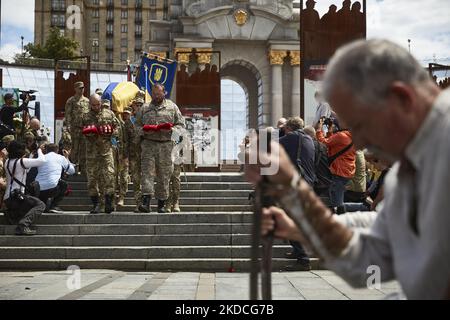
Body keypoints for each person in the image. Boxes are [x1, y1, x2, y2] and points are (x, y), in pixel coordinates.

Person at [246, 39, 450, 300]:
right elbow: (379, 245)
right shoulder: (409, 167)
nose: (361, 142)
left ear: (402, 99)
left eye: (361, 125)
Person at [136, 83, 185, 213]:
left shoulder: (172, 107)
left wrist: (171, 129)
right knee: (147, 174)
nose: (156, 96)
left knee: (164, 175)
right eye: (154, 94)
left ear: (164, 93)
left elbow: (181, 125)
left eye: (159, 94)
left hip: (166, 145)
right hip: (149, 145)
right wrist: (144, 131)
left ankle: (161, 203)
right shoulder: (145, 108)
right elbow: (137, 126)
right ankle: (146, 202)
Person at [278, 117, 316, 271]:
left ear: (288, 128)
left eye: (284, 128)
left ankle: (303, 259)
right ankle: (298, 251)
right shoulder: (308, 139)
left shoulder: (289, 138)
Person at [82, 94, 118, 214]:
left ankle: (109, 201)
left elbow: (117, 128)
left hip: (106, 150)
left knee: (109, 175)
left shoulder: (109, 114)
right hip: (91, 151)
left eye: (98, 104)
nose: (96, 107)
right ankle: (96, 204)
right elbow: (79, 131)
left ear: (101, 103)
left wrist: (111, 132)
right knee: (92, 179)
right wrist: (88, 132)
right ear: (90, 104)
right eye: (93, 105)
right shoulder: (85, 116)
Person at [3, 141, 46, 235]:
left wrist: (31, 155)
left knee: (28, 203)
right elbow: (42, 161)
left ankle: (13, 214)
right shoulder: (22, 162)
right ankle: (23, 225)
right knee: (40, 205)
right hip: (17, 197)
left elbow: (26, 168)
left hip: (8, 198)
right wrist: (39, 150)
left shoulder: (7, 162)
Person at [316, 116, 355, 209]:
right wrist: (330, 129)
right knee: (337, 199)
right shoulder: (350, 135)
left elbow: (323, 142)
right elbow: (333, 142)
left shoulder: (341, 136)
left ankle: (342, 218)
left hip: (339, 172)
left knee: (336, 203)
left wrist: (319, 129)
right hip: (346, 170)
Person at [35, 143, 75, 213]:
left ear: (46, 150)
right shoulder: (60, 157)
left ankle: (43, 205)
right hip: (52, 188)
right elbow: (72, 171)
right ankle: (53, 206)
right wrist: (66, 157)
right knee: (64, 185)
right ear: (57, 150)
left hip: (38, 188)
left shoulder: (41, 158)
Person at [65, 81, 89, 174]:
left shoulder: (87, 101)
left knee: (84, 149)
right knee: (74, 149)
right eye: (80, 88)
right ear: (75, 89)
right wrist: (68, 127)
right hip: (74, 128)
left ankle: (83, 170)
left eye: (83, 88)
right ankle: (73, 168)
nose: (82, 90)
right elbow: (68, 115)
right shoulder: (71, 101)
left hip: (84, 128)